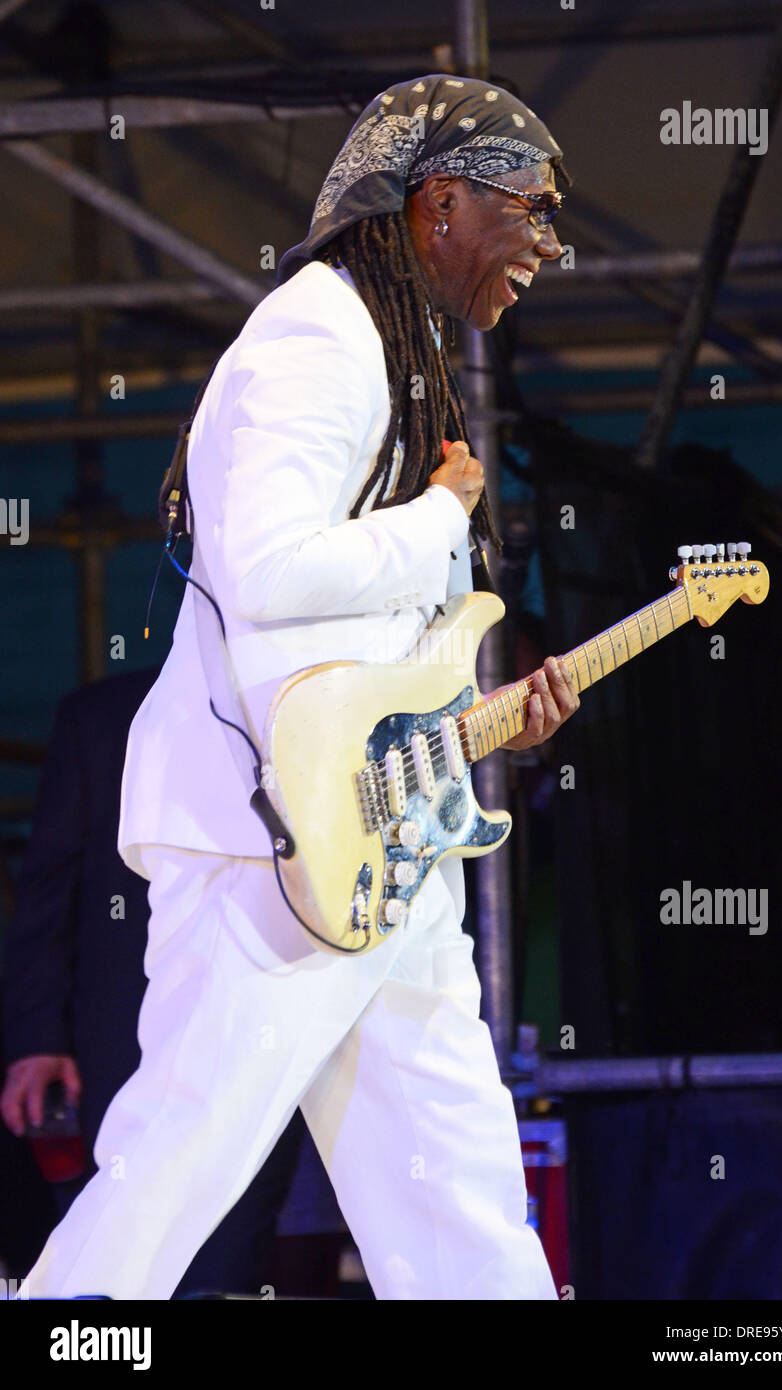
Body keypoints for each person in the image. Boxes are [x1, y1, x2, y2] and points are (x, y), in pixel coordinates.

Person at [21, 74, 580, 1301]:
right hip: (269, 845)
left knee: (457, 1191)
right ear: (439, 206)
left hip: (378, 838)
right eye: (529, 210)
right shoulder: (316, 336)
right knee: (169, 1177)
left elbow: (360, 644)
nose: (549, 244)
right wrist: (441, 513)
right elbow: (269, 570)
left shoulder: (387, 346)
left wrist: (476, 718)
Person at [0, 668, 346, 1298]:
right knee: (115, 1234)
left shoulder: (304, 706)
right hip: (120, 1035)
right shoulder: (101, 716)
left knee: (228, 1250)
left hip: (263, 1019)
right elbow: (47, 889)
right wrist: (36, 1038)